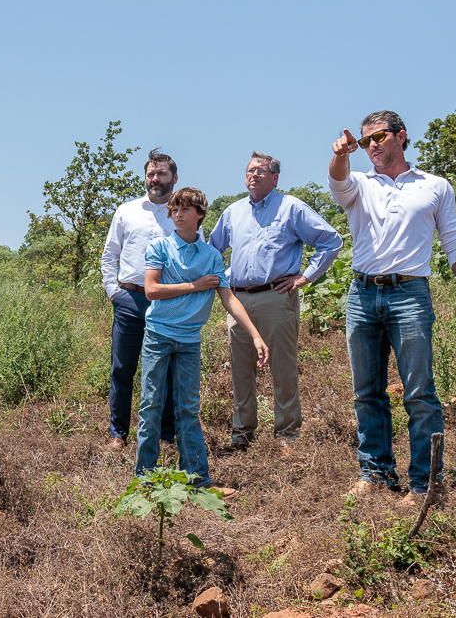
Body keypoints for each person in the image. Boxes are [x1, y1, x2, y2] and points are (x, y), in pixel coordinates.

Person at [328, 110, 456, 502]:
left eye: (379, 136)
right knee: (367, 391)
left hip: (410, 295)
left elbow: (453, 235)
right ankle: (375, 473)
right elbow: (338, 181)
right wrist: (341, 154)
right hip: (362, 295)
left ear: (401, 136)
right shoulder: (360, 183)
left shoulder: (434, 186)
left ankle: (425, 483)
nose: (372, 145)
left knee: (419, 392)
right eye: (364, 142)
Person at [210, 152, 343, 453]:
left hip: (276, 297)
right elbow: (212, 250)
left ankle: (287, 435)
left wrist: (306, 276)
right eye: (250, 169)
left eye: (261, 170)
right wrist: (222, 278)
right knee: (241, 370)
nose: (254, 174)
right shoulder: (232, 212)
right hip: (239, 300)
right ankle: (241, 435)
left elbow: (331, 240)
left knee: (283, 369)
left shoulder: (291, 207)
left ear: (274, 177)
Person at [135, 187, 268, 488]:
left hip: (190, 341)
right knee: (151, 406)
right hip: (158, 335)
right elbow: (151, 290)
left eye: (184, 209)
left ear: (199, 215)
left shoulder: (211, 256)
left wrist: (256, 336)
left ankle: (197, 480)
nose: (177, 215)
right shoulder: (160, 247)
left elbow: (228, 298)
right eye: (174, 210)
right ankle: (144, 482)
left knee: (188, 410)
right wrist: (194, 285)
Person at [100, 149, 179, 451]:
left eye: (161, 173)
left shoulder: (182, 212)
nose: (155, 179)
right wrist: (113, 291)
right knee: (123, 368)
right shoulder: (127, 210)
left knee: (167, 369)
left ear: (174, 177)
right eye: (151, 174)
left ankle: (166, 435)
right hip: (130, 299)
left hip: (169, 302)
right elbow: (110, 254)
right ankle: (117, 434)